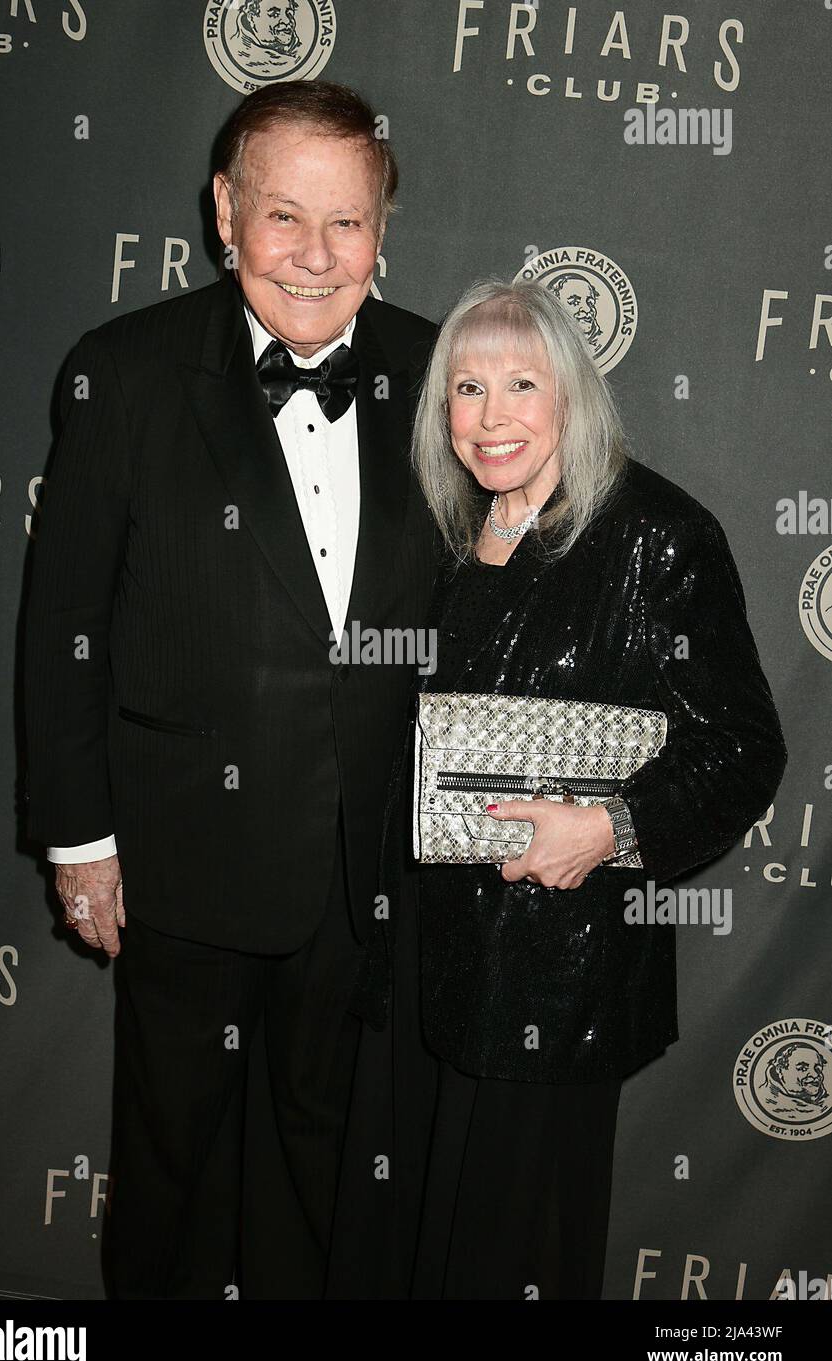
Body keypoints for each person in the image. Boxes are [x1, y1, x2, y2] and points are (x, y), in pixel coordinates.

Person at [23, 80, 440, 1300]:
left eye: (348, 223)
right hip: (181, 855)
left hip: (373, 868)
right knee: (175, 1165)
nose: (316, 257)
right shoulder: (123, 373)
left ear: (383, 230)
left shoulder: (445, 374)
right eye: (283, 218)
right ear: (224, 213)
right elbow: (64, 627)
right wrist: (81, 839)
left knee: (333, 1171)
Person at [329, 278, 787, 1301]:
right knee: (397, 1234)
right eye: (466, 388)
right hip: (422, 950)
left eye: (521, 384)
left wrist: (614, 827)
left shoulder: (655, 535)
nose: (490, 418)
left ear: (571, 394)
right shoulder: (449, 532)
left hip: (551, 962)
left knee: (509, 1251)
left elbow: (743, 747)